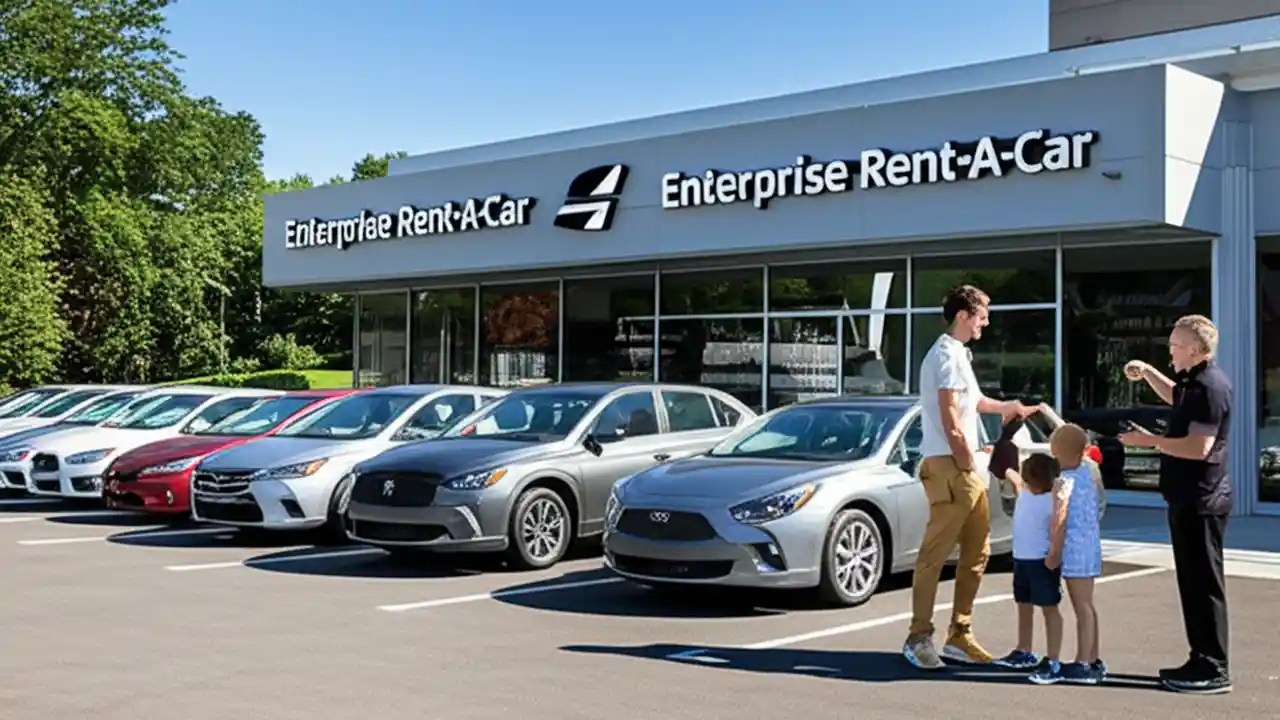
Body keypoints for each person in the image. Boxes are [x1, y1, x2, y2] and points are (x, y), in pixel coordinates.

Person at [903, 284, 1038, 670]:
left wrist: (1009, 407)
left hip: (965, 465)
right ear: (964, 315)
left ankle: (959, 636)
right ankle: (918, 639)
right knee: (934, 555)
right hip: (950, 464)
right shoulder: (945, 355)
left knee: (978, 551)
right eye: (981, 316)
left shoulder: (959, 354)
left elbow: (972, 403)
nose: (986, 323)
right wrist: (965, 459)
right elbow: (950, 418)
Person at [1119, 314, 1233, 695]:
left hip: (1202, 499)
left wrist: (1147, 442)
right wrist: (1149, 372)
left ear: (1196, 349)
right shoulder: (1192, 382)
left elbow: (1199, 448)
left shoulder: (1209, 387)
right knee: (1192, 583)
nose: (1170, 350)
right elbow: (1176, 397)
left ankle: (1214, 668)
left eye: (1175, 345)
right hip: (1187, 497)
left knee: (1204, 584)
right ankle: (1199, 658)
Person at [992, 453, 1067, 683]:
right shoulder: (1025, 493)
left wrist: (1053, 556)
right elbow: (1013, 477)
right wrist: (1001, 462)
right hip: (1022, 560)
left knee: (1049, 608)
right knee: (1023, 603)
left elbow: (1058, 529)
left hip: (1040, 561)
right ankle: (1024, 650)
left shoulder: (1052, 500)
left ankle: (1053, 659)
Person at [1049, 422, 1106, 684]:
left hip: (1074, 549)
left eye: (1056, 454)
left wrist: (1054, 551)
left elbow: (1059, 519)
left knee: (1080, 606)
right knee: (1089, 605)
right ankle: (1093, 658)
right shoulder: (1088, 473)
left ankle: (1082, 662)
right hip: (1091, 546)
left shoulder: (1065, 481)